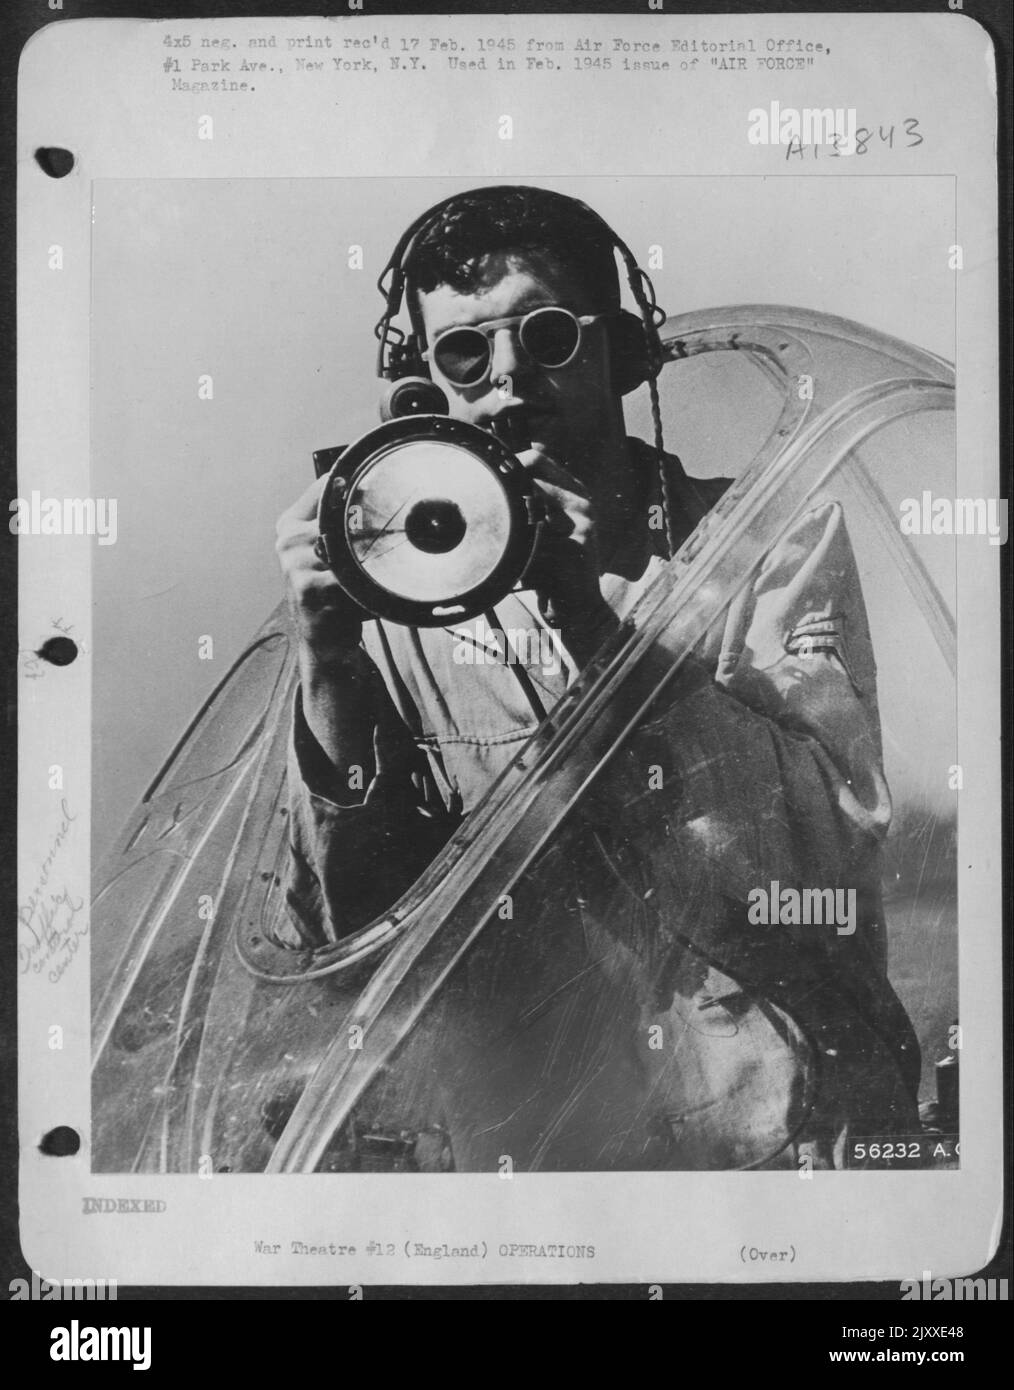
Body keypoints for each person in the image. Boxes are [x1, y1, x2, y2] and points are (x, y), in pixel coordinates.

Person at [273, 185, 920, 1168]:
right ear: (426, 385)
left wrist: (588, 621)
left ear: (623, 350)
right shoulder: (400, 608)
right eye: (463, 353)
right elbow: (347, 946)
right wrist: (328, 659)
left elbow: (815, 860)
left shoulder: (772, 542)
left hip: (790, 1146)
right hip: (555, 1160)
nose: (505, 380)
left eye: (546, 336)